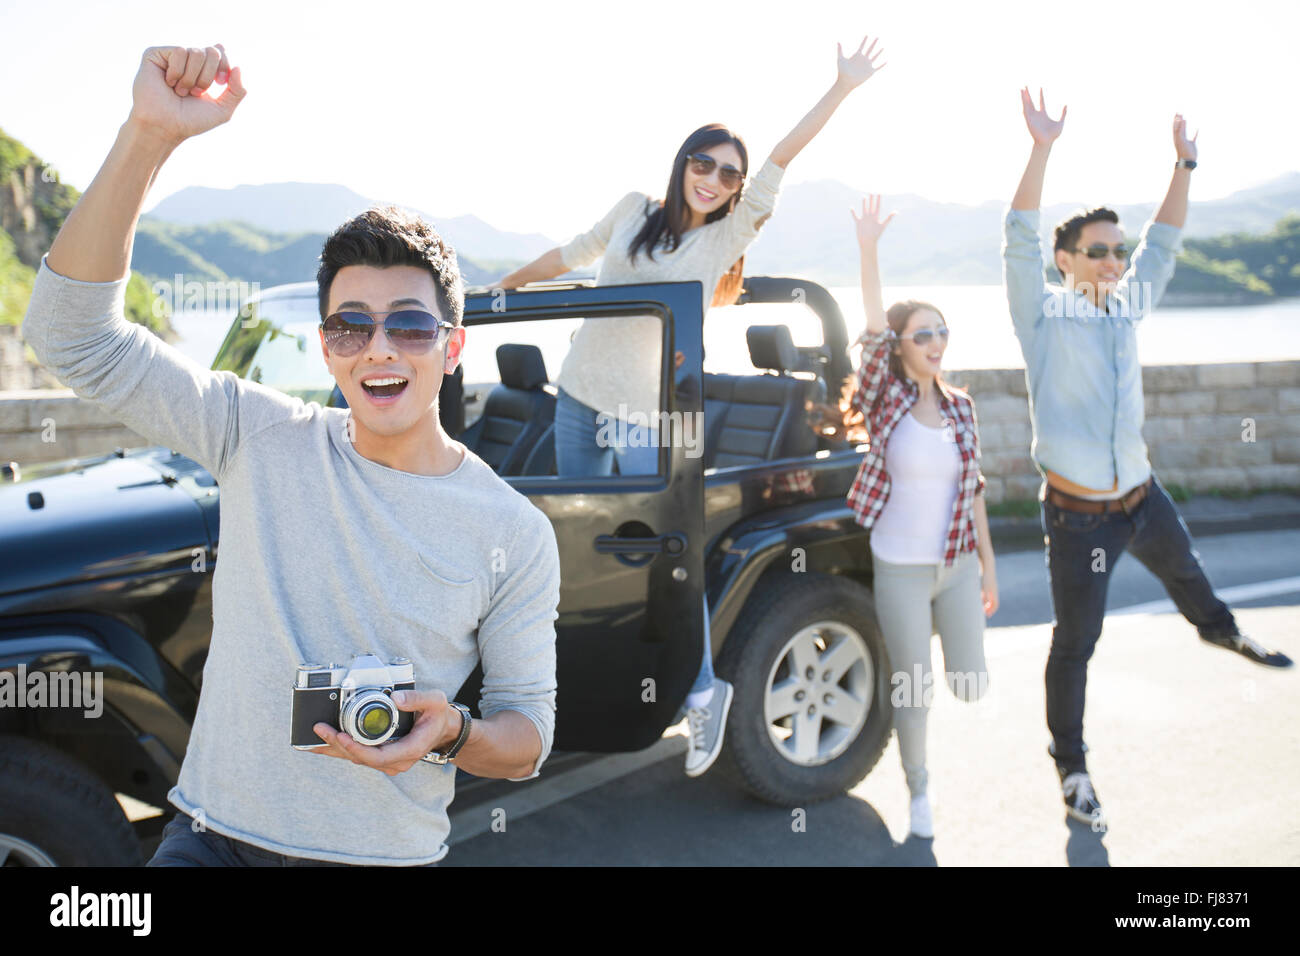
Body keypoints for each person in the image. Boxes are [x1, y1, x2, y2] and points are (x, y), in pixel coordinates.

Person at [21, 43, 560, 866]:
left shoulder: (513, 532)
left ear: (452, 348)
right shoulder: (255, 433)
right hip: (208, 840)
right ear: (325, 345)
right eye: (351, 325)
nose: (379, 349)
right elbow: (68, 336)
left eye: (410, 326)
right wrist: (150, 133)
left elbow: (525, 742)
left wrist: (448, 732)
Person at [497, 34, 887, 778]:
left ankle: (702, 692)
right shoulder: (632, 211)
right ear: (683, 164)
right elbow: (564, 257)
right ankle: (575, 683)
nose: (712, 178)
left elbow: (783, 157)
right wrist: (492, 294)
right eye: (702, 163)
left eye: (727, 172)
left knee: (666, 564)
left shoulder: (729, 235)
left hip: (650, 416)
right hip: (579, 399)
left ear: (738, 188)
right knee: (574, 545)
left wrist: (840, 88)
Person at [1003, 87, 1293, 828]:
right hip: (1078, 522)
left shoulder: (1129, 305)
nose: (1111, 261)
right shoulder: (1041, 315)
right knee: (1076, 644)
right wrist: (1041, 148)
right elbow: (1016, 237)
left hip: (1142, 496)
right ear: (1065, 260)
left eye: (1115, 250)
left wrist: (1185, 164)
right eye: (1095, 251)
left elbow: (1163, 242)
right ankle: (1071, 770)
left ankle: (1222, 630)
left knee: (1190, 573)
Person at [845, 195, 997, 840]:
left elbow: (976, 491)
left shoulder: (962, 407)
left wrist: (988, 567)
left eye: (942, 331)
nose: (936, 342)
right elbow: (876, 334)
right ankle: (920, 790)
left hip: (958, 566)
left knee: (969, 685)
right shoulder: (886, 401)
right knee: (916, 690)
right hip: (902, 569)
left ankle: (937, 641)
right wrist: (869, 249)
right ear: (903, 349)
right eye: (923, 334)